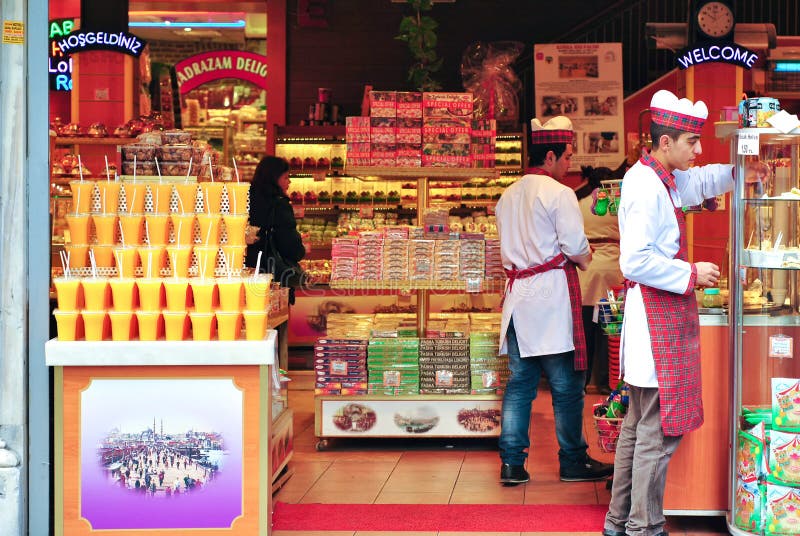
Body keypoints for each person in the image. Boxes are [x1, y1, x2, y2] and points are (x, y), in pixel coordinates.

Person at [603, 89, 735, 536]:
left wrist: (743, 170)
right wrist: (691, 271)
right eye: (690, 142)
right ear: (665, 143)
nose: (698, 151)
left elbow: (701, 182)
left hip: (655, 314)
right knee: (656, 433)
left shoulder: (662, 176)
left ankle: (619, 521)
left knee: (637, 427)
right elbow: (634, 261)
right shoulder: (644, 187)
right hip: (655, 316)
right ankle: (645, 526)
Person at [496, 116, 614, 485]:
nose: (569, 164)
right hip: (550, 296)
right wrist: (584, 257)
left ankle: (512, 464)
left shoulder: (508, 193)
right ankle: (573, 461)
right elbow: (576, 247)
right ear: (550, 155)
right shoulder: (558, 193)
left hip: (518, 298)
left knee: (519, 385)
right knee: (566, 387)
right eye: (566, 157)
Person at [575, 166, 623, 395]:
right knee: (609, 330)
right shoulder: (618, 207)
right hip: (613, 271)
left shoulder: (580, 205)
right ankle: (604, 381)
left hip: (586, 271)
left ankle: (582, 382)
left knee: (584, 332)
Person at [245, 156, 306, 302]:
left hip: (247, 273)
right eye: (286, 177)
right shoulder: (279, 205)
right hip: (273, 278)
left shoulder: (245, 199)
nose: (289, 182)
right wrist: (299, 247)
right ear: (274, 179)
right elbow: (290, 247)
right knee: (275, 319)